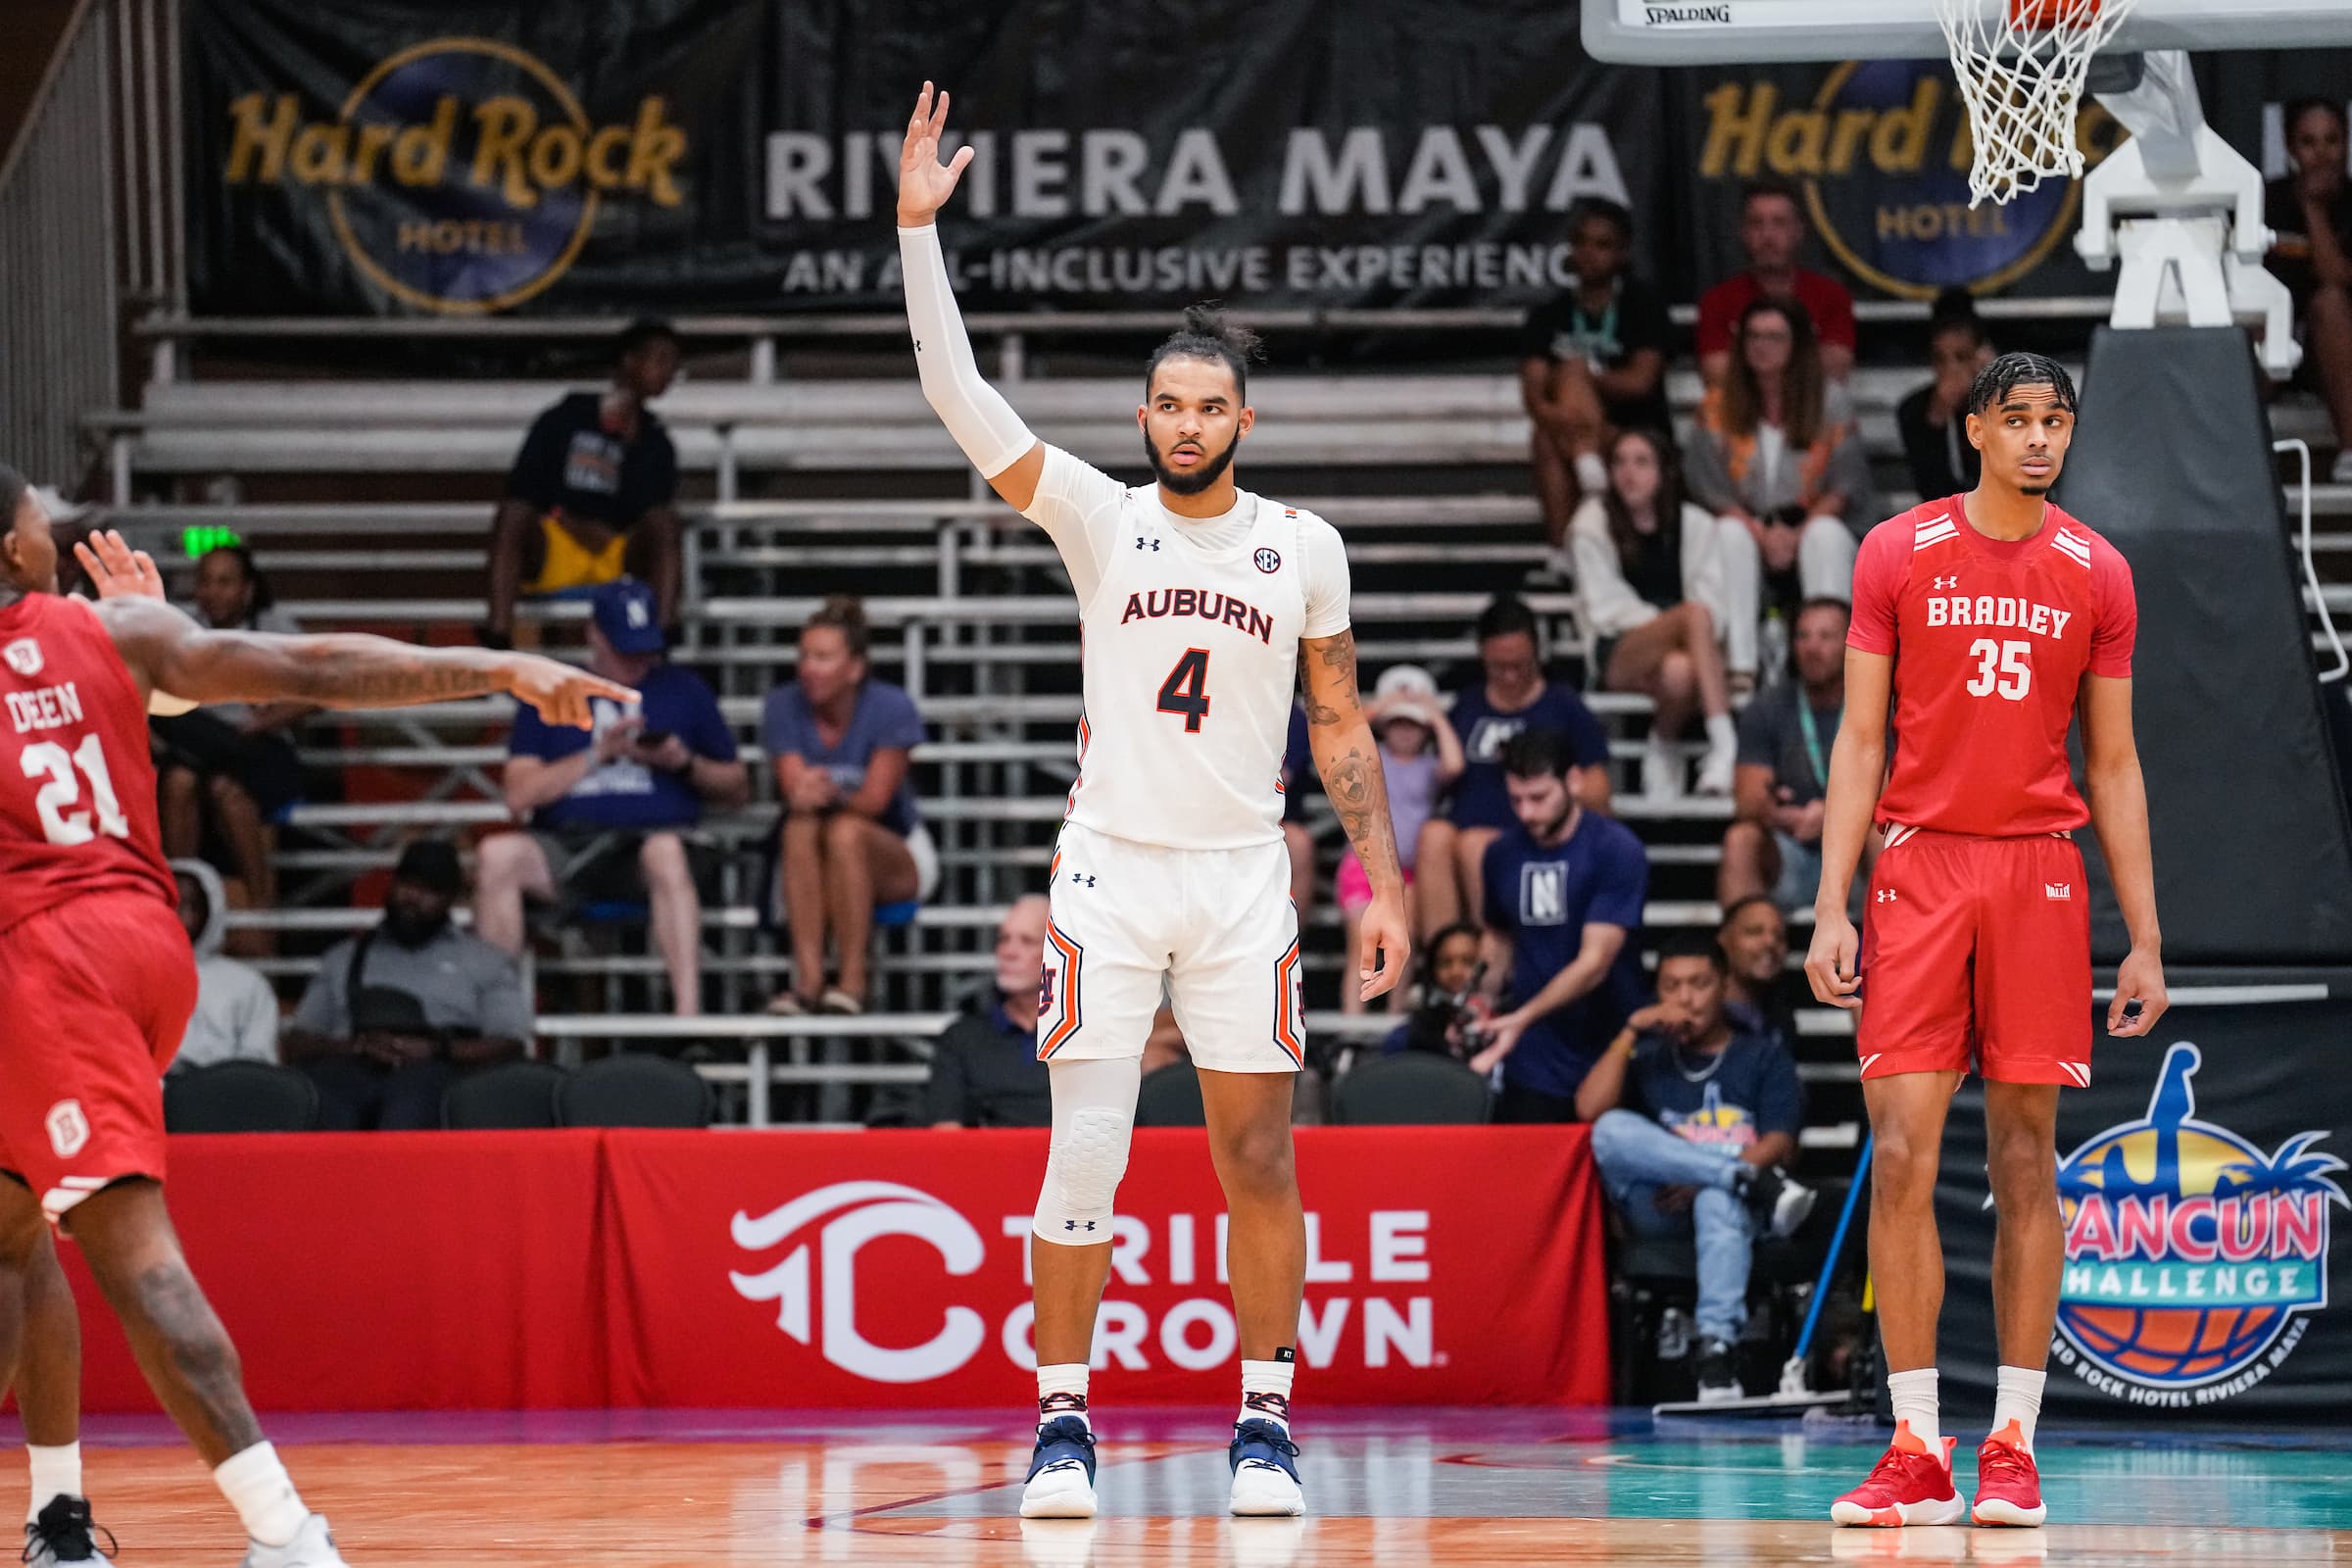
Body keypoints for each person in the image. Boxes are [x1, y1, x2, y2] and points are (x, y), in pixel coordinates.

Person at [899, 81, 1411, 1522]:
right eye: (1169, 407)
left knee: (1258, 1152)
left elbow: (1339, 721)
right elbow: (960, 398)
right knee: (1087, 1151)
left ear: (1245, 416)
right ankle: (1060, 1423)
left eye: (1211, 407)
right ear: (1145, 417)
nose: (1189, 425)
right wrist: (916, 234)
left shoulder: (1305, 548)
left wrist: (1377, 885)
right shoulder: (1099, 515)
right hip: (1112, 872)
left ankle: (1264, 1421)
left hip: (1245, 879)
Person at [0, 475, 627, 1567]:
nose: (50, 533)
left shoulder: (111, 628)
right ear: (17, 559)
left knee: (130, 1256)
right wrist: (497, 666)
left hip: (49, 961)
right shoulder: (117, 627)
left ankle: (287, 1537)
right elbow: (311, 669)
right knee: (11, 1226)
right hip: (148, 943)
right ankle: (58, 1518)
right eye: (36, 522)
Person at [1806, 353, 2166, 1528]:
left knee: (2025, 1156)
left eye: (2057, 421)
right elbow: (1859, 741)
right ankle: (1917, 1442)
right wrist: (1830, 901)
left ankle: (2012, 1437)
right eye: (2017, 420)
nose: (2040, 439)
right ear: (1974, 430)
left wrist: (2145, 936)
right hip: (1918, 862)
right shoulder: (1895, 552)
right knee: (1903, 1153)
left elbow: (2112, 761)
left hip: (2037, 873)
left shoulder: (2097, 570)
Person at [474, 579, 747, 1019]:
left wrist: (681, 762)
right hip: (570, 848)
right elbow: (518, 795)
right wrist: (599, 754)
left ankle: (687, 1017)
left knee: (665, 851)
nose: (638, 663)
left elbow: (737, 788)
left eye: (645, 650)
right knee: (496, 855)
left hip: (651, 846)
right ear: (594, 634)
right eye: (625, 651)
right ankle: (496, 1019)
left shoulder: (684, 689)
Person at [1579, 933, 1815, 1401]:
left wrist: (1701, 1180)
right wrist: (1629, 1031)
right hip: (1661, 1205)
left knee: (1715, 1197)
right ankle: (1736, 1176)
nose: (1685, 998)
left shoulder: (1761, 1054)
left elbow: (1779, 1141)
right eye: (1671, 986)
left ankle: (1717, 1350)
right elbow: (1590, 1110)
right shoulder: (1647, 1056)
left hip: (1730, 1211)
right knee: (1610, 1131)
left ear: (1724, 985)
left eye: (1700, 983)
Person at [281, 842, 534, 1131]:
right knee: (322, 1104)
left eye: (429, 890)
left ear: (450, 898)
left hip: (441, 1070)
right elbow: (299, 1042)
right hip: (351, 1063)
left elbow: (510, 1044)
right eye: (407, 884)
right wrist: (356, 1046)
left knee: (410, 1107)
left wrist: (435, 1050)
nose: (412, 897)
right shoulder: (344, 957)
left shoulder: (483, 960)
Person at [761, 595, 934, 1015]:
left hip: (895, 850)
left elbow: (874, 801)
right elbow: (795, 791)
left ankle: (853, 983)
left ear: (854, 668)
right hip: (812, 848)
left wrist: (829, 793)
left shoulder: (891, 707)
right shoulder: (782, 705)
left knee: (845, 831)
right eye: (804, 656)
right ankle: (809, 982)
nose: (808, 668)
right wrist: (807, 793)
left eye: (822, 657)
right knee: (800, 825)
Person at [1467, 727, 1649, 1121]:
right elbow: (1499, 938)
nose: (1526, 812)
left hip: (1610, 1037)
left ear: (1574, 781)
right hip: (1534, 1054)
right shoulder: (1501, 853)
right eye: (1516, 799)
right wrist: (1481, 1000)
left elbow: (1595, 963)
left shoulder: (1616, 849)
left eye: (1539, 798)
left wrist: (1520, 1017)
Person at [1571, 427, 1751, 800]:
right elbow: (1604, 606)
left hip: (1682, 648)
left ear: (1663, 471)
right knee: (1693, 617)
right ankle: (1726, 744)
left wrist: (1681, 630)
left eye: (1641, 462)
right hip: (1618, 648)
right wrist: (1670, 624)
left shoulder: (1694, 524)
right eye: (1619, 462)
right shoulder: (1591, 523)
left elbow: (1712, 596)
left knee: (1680, 671)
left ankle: (1662, 742)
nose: (1628, 473)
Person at [1415, 595, 1611, 937]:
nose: (1509, 676)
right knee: (1434, 836)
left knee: (1477, 844)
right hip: (1465, 830)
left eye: (1519, 665)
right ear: (1482, 656)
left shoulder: (1562, 705)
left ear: (1537, 652)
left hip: (1531, 834)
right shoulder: (1469, 704)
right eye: (1497, 666)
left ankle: (1492, 956)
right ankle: (1445, 963)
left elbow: (1598, 790)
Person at [485, 318, 684, 647]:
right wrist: (569, 519)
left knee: (666, 523)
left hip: (616, 556)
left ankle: (660, 639)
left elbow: (651, 508)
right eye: (660, 359)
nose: (668, 372)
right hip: (560, 544)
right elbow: (524, 483)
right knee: (513, 514)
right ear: (629, 360)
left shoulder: (655, 438)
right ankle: (498, 636)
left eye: (673, 365)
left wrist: (631, 443)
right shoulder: (569, 414)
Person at [149, 545, 311, 919]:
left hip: (259, 750)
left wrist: (262, 722)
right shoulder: (179, 629)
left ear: (248, 589)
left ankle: (261, 903)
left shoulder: (275, 627)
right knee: (180, 779)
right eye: (205, 582)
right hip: (194, 749)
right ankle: (181, 895)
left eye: (225, 582)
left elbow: (320, 692)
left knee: (224, 788)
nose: (212, 592)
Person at [1685, 298, 1874, 609]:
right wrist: (1761, 535)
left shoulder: (1831, 403)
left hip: (1812, 524)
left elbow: (1844, 486)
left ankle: (1828, 650)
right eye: (1753, 336)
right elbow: (1710, 491)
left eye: (1774, 337)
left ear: (1797, 344)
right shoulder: (1715, 408)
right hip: (1747, 526)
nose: (1762, 345)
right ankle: (1738, 657)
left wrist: (1795, 536)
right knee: (1730, 534)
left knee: (1824, 536)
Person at [1520, 198, 1674, 548]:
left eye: (1602, 245)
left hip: (1637, 437)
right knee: (1545, 436)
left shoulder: (1644, 306)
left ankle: (1585, 459)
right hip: (1571, 435)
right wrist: (1562, 420)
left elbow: (1640, 382)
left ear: (1623, 254)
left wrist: (1583, 376)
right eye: (1581, 243)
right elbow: (1534, 394)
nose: (1589, 253)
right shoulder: (1549, 314)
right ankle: (1564, 552)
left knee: (1572, 368)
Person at [1338, 664, 1462, 1013]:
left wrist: (1433, 713)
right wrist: (1385, 703)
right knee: (1359, 950)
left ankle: (1394, 1023)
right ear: (1383, 726)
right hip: (1361, 867)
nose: (1405, 732)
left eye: (1414, 724)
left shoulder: (1428, 767)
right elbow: (1342, 734)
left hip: (1406, 875)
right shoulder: (1369, 756)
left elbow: (1454, 765)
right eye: (1397, 723)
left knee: (1400, 950)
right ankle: (1353, 1028)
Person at [1720, 598, 1852, 912]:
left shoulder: (1877, 704)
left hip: (1854, 852)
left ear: (1853, 643)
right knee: (1741, 839)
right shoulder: (1767, 707)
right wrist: (1775, 813)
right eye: (1803, 636)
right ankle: (1744, 950)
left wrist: (1834, 817)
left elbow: (1896, 793)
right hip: (1789, 847)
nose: (1812, 647)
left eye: (1825, 637)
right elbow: (1748, 800)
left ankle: (1893, 955)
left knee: (1880, 834)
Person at [1695, 178, 1858, 386]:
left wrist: (1760, 363)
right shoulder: (1717, 301)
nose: (1767, 236)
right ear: (1742, 233)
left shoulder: (1831, 295)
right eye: (1756, 223)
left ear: (1799, 231)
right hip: (1743, 415)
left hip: (1812, 412)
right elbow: (1717, 376)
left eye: (1779, 223)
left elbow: (1835, 370)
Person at [2265, 98, 2352, 483]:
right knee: (2252, 317)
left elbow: (2335, 279)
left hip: (2338, 355)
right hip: (2275, 350)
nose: (2321, 154)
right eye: (2309, 142)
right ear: (2290, 147)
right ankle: (2231, 456)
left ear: (2347, 143)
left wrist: (2312, 209)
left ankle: (2350, 450)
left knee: (2329, 305)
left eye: (2331, 141)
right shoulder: (2265, 199)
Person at [926, 895, 1054, 1128]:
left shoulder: (1089, 1034)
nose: (1009, 952)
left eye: (1027, 941)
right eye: (1004, 939)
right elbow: (945, 1132)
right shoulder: (961, 1038)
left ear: (1059, 953)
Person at [168, 859, 277, 1073]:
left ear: (211, 910)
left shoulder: (247, 983)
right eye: (168, 903)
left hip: (224, 1093)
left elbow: (259, 1059)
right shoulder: (128, 976)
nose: (176, 915)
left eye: (189, 906)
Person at [1896, 291, 1993, 504]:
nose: (1952, 369)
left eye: (1962, 357)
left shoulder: (2011, 401)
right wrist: (1936, 420)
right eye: (1941, 360)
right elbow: (1932, 492)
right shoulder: (1915, 410)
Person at [1381, 921, 1491, 1058]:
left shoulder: (1506, 1027)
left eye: (1468, 961)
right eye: (1445, 963)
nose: (1456, 971)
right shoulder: (1409, 1037)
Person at [1716, 893, 1795, 1049]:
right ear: (1723, 940)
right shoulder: (1697, 1017)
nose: (1770, 942)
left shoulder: (1781, 1020)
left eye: (1779, 936)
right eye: (1754, 932)